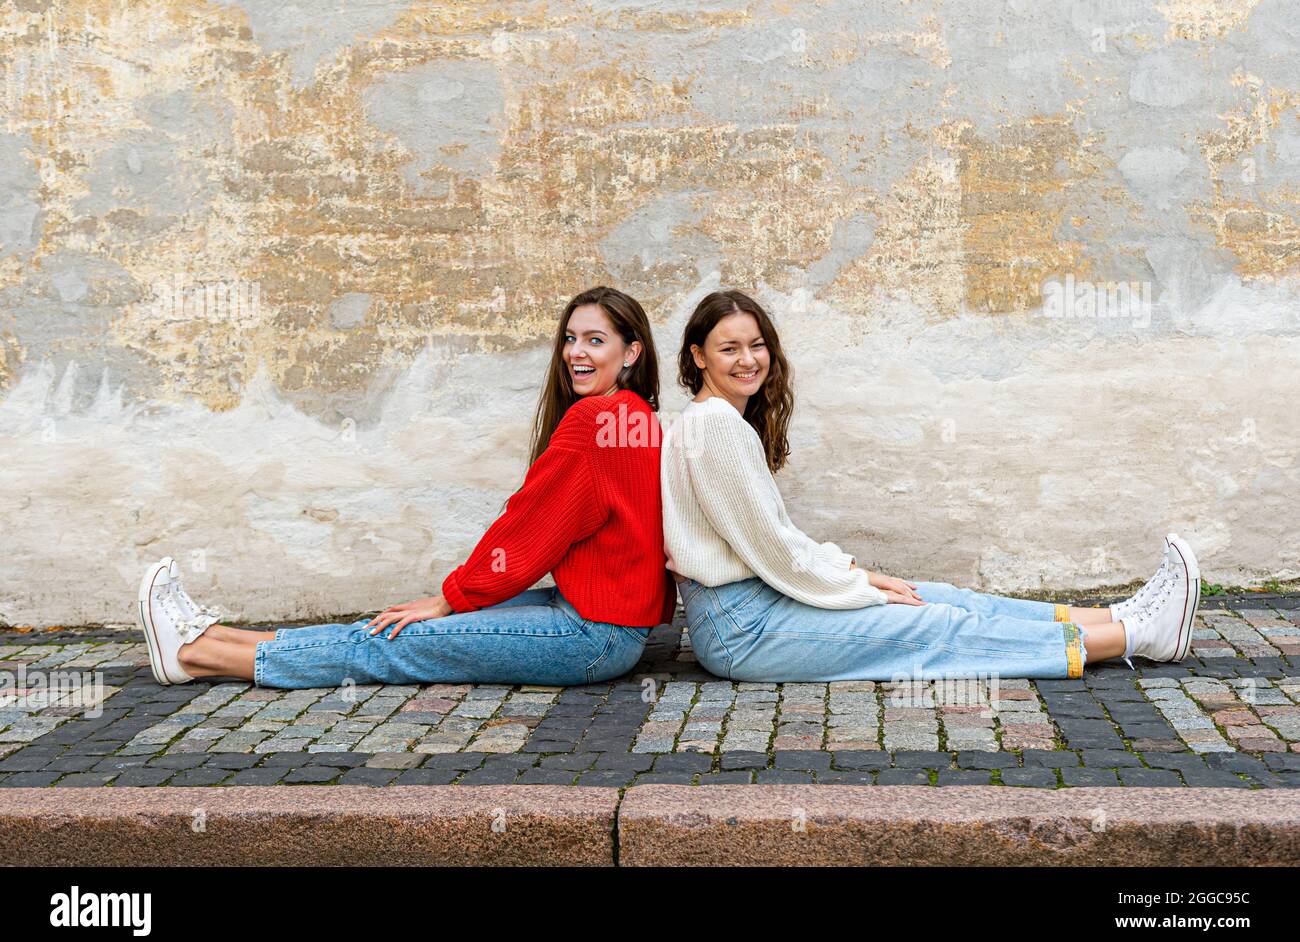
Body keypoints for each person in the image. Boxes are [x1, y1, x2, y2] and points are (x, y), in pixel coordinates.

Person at [137, 286, 676, 688]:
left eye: (595, 341)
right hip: (604, 626)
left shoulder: (594, 423)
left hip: (590, 636)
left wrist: (453, 596)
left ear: (631, 353)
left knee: (403, 642)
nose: (575, 352)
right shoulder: (635, 418)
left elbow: (532, 528)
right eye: (570, 339)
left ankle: (196, 658)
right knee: (395, 627)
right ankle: (211, 639)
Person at [660, 289, 1200, 683]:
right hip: (743, 629)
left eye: (756, 345)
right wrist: (861, 586)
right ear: (698, 356)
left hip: (758, 606)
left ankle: (1118, 615)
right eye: (729, 348)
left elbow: (773, 540)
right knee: (935, 628)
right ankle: (1137, 638)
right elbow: (772, 550)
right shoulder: (714, 427)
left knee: (941, 598)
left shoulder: (719, 422)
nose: (748, 359)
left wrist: (860, 574)